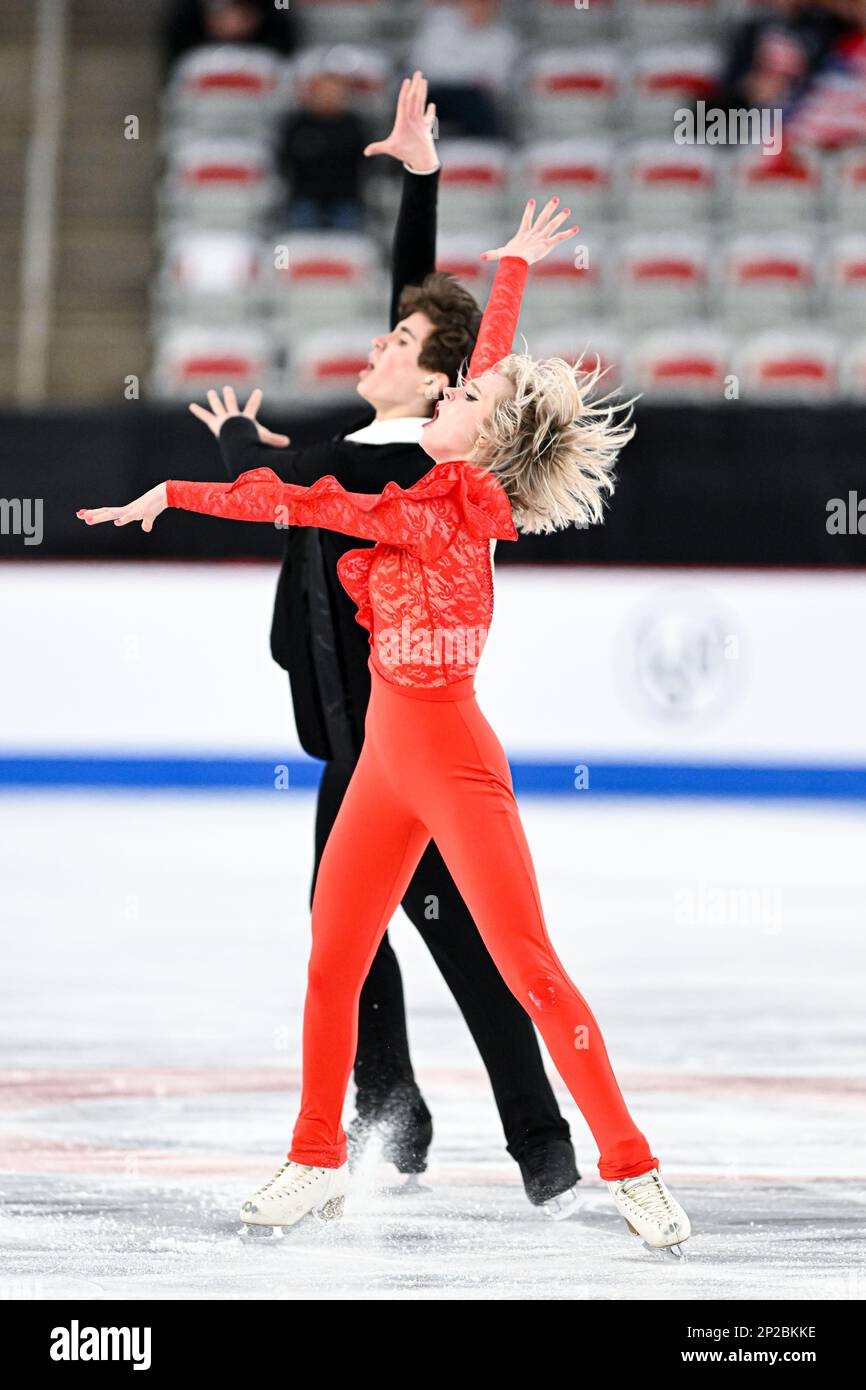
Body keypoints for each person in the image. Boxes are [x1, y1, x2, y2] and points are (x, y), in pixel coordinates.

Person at [78, 197, 693, 1257]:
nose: (454, 388)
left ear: (483, 432)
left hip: (450, 758)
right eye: (452, 381)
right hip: (382, 760)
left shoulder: (458, 502)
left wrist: (178, 489)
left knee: (529, 967)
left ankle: (630, 1166)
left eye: (464, 392)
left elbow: (319, 488)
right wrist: (505, 265)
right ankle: (315, 1158)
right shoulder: (421, 479)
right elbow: (439, 400)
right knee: (334, 957)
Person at [182, 74, 585, 1215]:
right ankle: (410, 1114)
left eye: (400, 338)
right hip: (345, 743)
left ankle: (523, 1142)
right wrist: (244, 462)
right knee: (350, 936)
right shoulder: (362, 443)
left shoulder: (417, 464)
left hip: (395, 746)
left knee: (452, 944)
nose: (380, 336)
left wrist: (422, 187)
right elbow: (297, 494)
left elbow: (429, 323)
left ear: (438, 374)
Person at [408, 0, 519, 138]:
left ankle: (475, 149)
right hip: (437, 92)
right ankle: (424, 150)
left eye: (484, 4)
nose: (477, 8)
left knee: (475, 106)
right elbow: (427, 66)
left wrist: (459, 73)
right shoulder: (440, 26)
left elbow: (498, 79)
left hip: (476, 98)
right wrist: (469, 75)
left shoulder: (504, 38)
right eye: (472, 3)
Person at [278, 63, 368, 232]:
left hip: (346, 197)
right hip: (304, 196)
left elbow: (365, 161)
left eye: (334, 91)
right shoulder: (296, 124)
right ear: (311, 93)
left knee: (347, 243)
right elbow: (284, 159)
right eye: (323, 91)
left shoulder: (354, 125)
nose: (329, 96)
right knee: (301, 241)